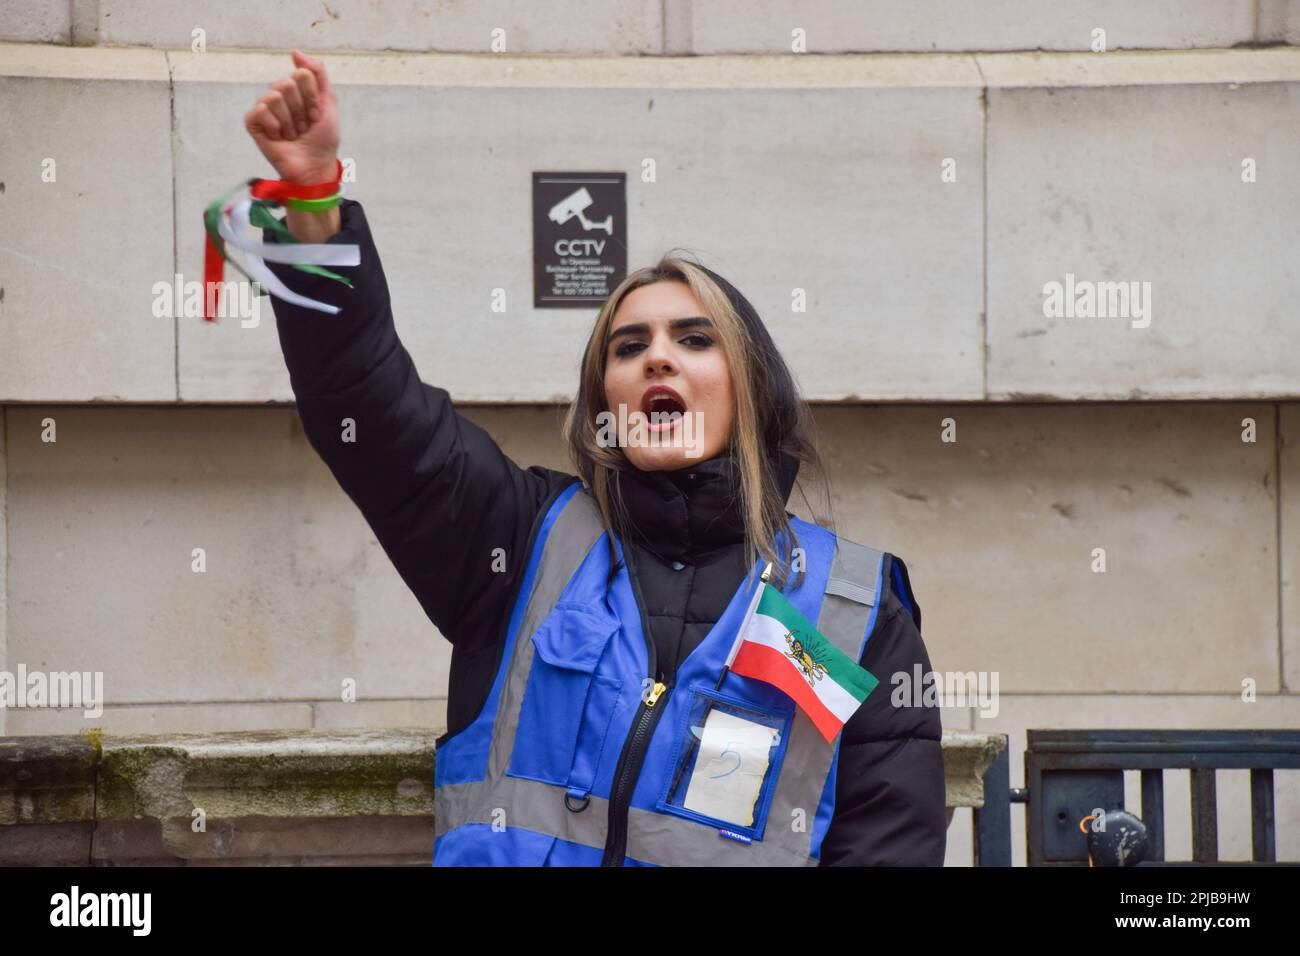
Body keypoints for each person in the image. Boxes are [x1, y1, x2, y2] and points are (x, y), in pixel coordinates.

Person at [244, 50, 947, 866]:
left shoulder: (847, 612)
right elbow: (367, 407)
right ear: (604, 398)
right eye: (628, 345)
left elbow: (888, 846)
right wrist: (310, 205)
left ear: (750, 388)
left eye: (693, 339)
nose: (658, 359)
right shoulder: (517, 541)